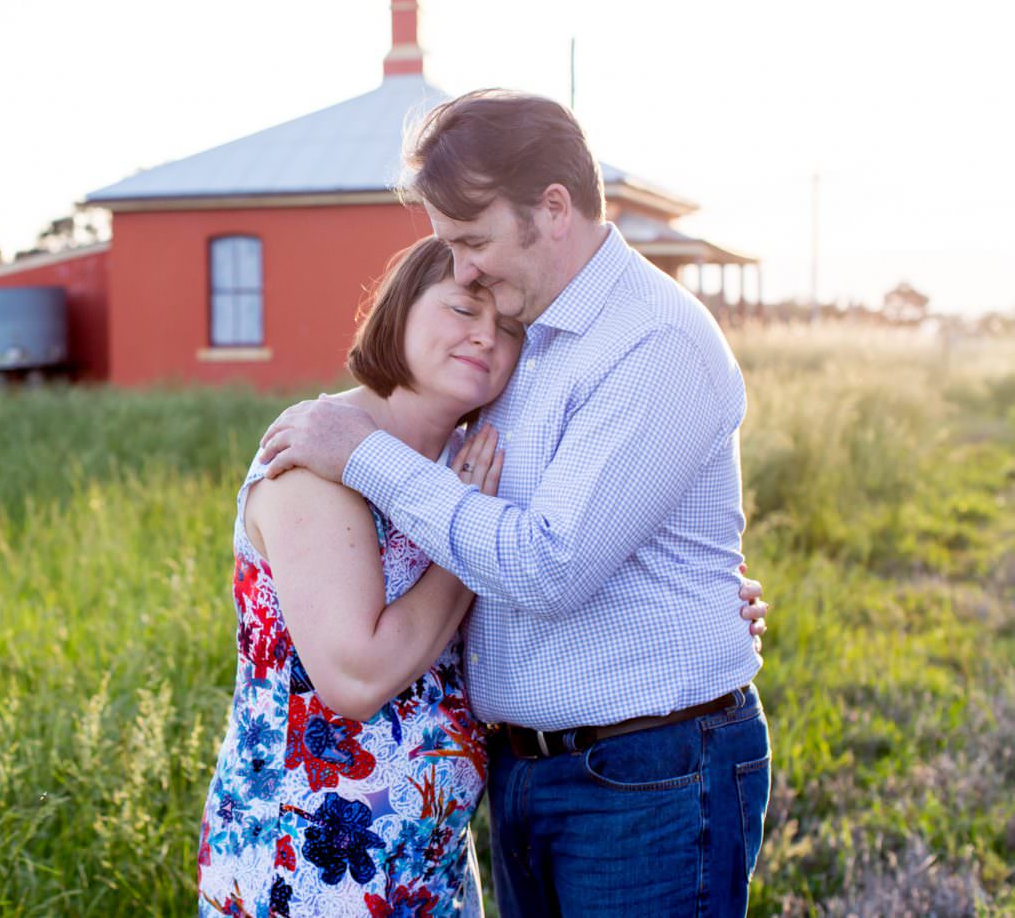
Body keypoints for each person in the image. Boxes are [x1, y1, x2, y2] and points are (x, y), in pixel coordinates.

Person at [258, 89, 772, 915]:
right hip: (526, 777)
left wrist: (363, 454)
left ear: (554, 209)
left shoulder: (652, 340)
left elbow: (548, 563)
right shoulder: (523, 344)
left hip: (649, 773)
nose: (463, 269)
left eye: (471, 240)